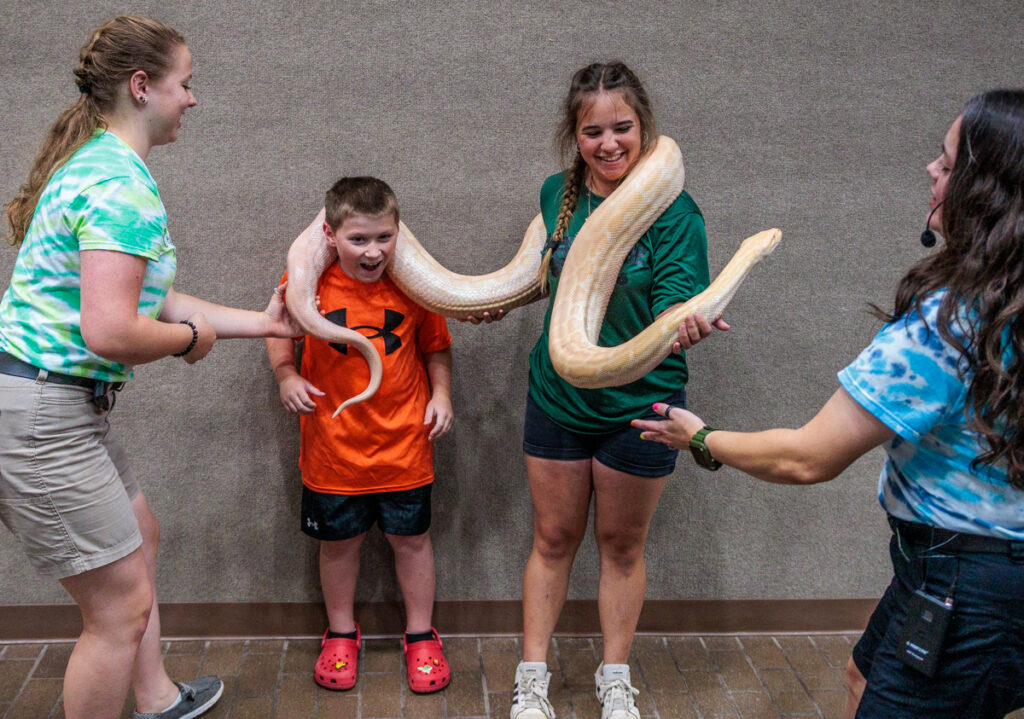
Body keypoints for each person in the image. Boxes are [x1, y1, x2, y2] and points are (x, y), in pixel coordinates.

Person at [632, 89, 1024, 719]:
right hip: (969, 568)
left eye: (948, 165)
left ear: (986, 190)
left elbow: (808, 457)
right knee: (860, 676)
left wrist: (700, 438)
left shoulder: (947, 325)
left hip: (966, 583)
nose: (930, 170)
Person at [0, 16, 301, 719]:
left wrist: (259, 322)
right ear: (142, 86)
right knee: (116, 613)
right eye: (184, 83)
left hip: (54, 402)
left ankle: (157, 698)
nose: (191, 99)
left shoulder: (100, 166)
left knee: (142, 535)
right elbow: (112, 328)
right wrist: (187, 338)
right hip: (45, 412)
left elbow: (150, 298)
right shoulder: (118, 185)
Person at [480, 62, 723, 719]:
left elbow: (676, 304)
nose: (610, 143)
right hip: (559, 395)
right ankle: (533, 677)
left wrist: (686, 326)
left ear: (643, 126)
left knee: (621, 546)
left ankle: (614, 677)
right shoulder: (557, 191)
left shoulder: (674, 209)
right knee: (553, 538)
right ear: (574, 134)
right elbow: (548, 275)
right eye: (594, 131)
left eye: (623, 127)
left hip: (642, 404)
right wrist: (501, 302)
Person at [266, 176, 454, 695]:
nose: (373, 252)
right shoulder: (306, 284)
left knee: (412, 543)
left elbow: (436, 347)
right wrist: (287, 376)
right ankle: (341, 634)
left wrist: (442, 396)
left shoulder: (415, 285)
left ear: (398, 234)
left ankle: (420, 636)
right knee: (339, 546)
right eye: (358, 239)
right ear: (329, 235)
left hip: (405, 448)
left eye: (383, 238)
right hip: (333, 451)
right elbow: (278, 334)